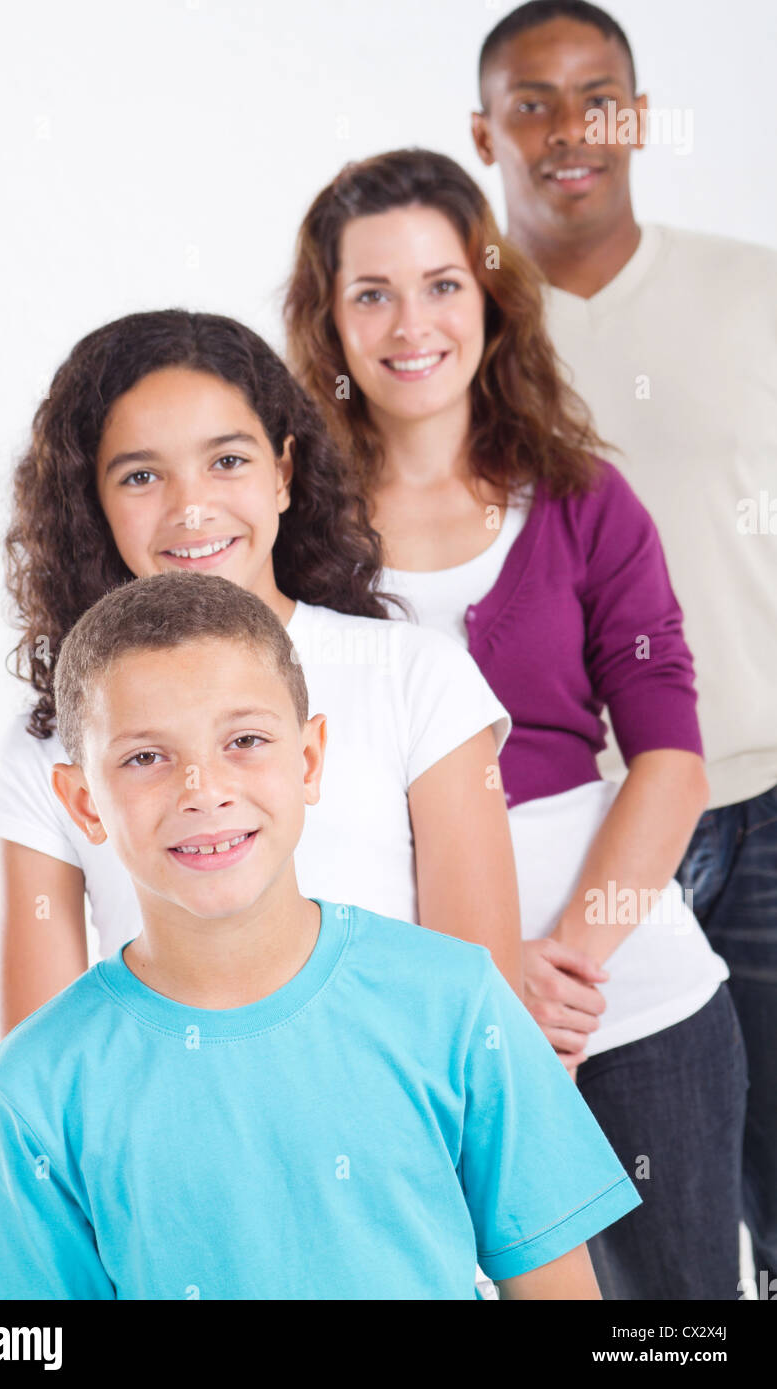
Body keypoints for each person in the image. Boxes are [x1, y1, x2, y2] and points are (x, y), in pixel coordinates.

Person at [283, 146, 747, 1299]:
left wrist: (564, 963)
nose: (411, 323)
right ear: (328, 320)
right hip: (413, 1028)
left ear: (489, 292)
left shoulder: (586, 500)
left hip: (626, 1007)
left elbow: (670, 761)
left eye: (442, 283)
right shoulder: (295, 532)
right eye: (370, 292)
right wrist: (480, 982)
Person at [0, 571, 640, 1300]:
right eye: (145, 757)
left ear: (308, 760)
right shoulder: (34, 1085)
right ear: (84, 804)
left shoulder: (457, 1002)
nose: (203, 790)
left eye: (243, 740)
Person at [0, 310, 520, 1036]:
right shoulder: (48, 748)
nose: (191, 508)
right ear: (91, 506)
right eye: (140, 476)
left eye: (227, 461)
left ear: (283, 474)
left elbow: (485, 1018)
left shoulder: (415, 679)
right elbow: (42, 1073)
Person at [471, 0, 777, 1294]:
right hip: (568, 835)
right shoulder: (452, 332)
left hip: (762, 793)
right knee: (644, 1241)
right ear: (481, 132)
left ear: (638, 118)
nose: (564, 131)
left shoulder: (751, 292)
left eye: (593, 96)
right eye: (527, 103)